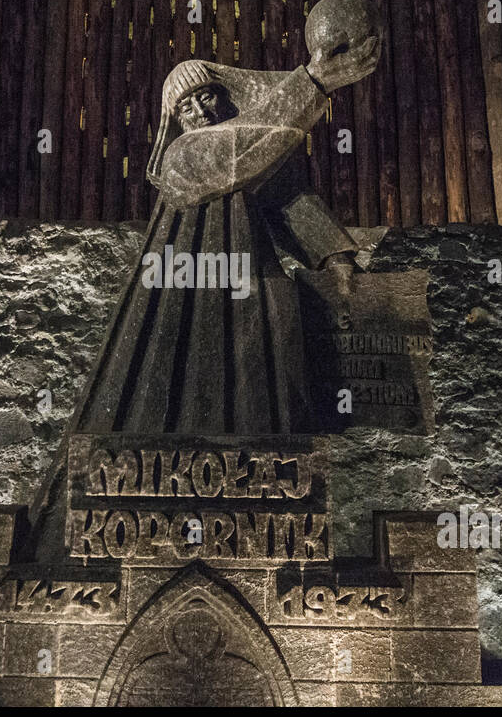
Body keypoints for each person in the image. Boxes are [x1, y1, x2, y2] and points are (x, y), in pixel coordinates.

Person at [71, 34, 380, 436]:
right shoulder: (181, 157)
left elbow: (286, 196)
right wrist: (313, 81)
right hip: (186, 287)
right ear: (176, 120)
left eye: (208, 97)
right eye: (187, 106)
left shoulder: (250, 159)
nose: (200, 111)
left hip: (247, 282)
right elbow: (234, 151)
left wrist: (334, 255)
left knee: (280, 315)